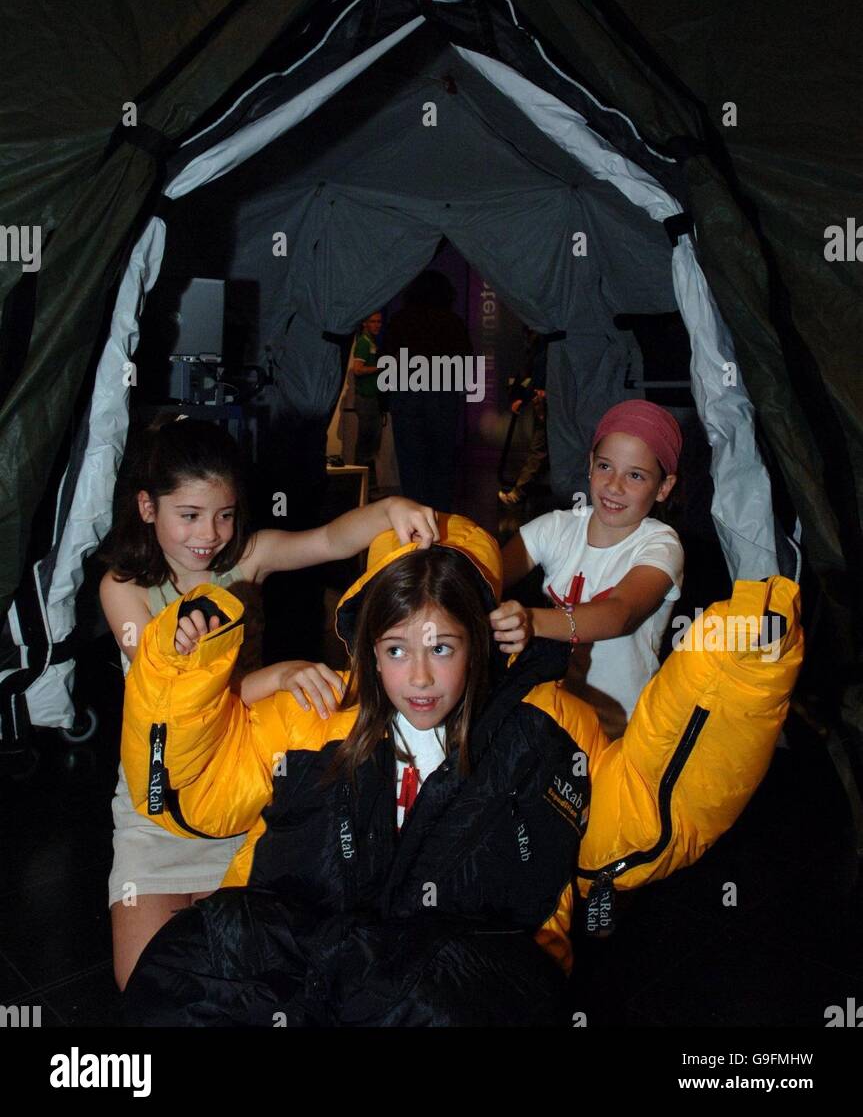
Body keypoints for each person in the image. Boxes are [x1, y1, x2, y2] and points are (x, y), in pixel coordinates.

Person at [119, 513, 802, 1027]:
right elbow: (184, 795)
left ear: (480, 637)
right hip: (301, 951)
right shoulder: (317, 711)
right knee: (187, 964)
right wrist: (182, 672)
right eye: (394, 649)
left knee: (436, 1000)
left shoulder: (545, 725)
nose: (417, 677)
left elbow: (638, 831)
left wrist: (730, 677)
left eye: (441, 646)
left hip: (462, 972)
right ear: (367, 645)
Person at [98, 416, 438, 989]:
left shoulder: (245, 558)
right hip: (156, 799)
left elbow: (329, 539)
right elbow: (165, 708)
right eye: (190, 515)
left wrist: (389, 511)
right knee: (149, 986)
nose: (211, 535)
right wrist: (278, 676)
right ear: (147, 508)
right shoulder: (123, 588)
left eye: (225, 514)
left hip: (244, 782)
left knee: (251, 979)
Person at [490, 400, 684, 740]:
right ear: (590, 464)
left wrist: (530, 622)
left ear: (664, 487)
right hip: (554, 719)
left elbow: (618, 615)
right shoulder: (557, 527)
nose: (615, 486)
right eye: (606, 466)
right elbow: (486, 575)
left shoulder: (661, 546)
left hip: (619, 731)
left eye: (635, 475)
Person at [383, 269, 473, 512]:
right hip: (443, 398)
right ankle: (440, 521)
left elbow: (389, 361)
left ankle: (414, 524)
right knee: (441, 465)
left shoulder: (400, 320)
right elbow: (465, 361)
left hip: (408, 397)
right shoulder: (453, 322)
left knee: (411, 466)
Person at [498, 328, 549, 508]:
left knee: (539, 448)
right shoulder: (544, 344)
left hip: (546, 401)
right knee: (541, 447)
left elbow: (535, 375)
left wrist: (525, 396)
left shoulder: (543, 345)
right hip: (545, 400)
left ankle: (519, 493)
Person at [350, 311, 384, 479]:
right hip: (366, 398)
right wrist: (380, 368)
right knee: (366, 443)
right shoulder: (364, 343)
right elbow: (357, 369)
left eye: (379, 322)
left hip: (372, 397)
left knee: (371, 443)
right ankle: (360, 483)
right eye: (373, 321)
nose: (377, 325)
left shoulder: (371, 341)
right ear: (365, 323)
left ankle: (366, 484)